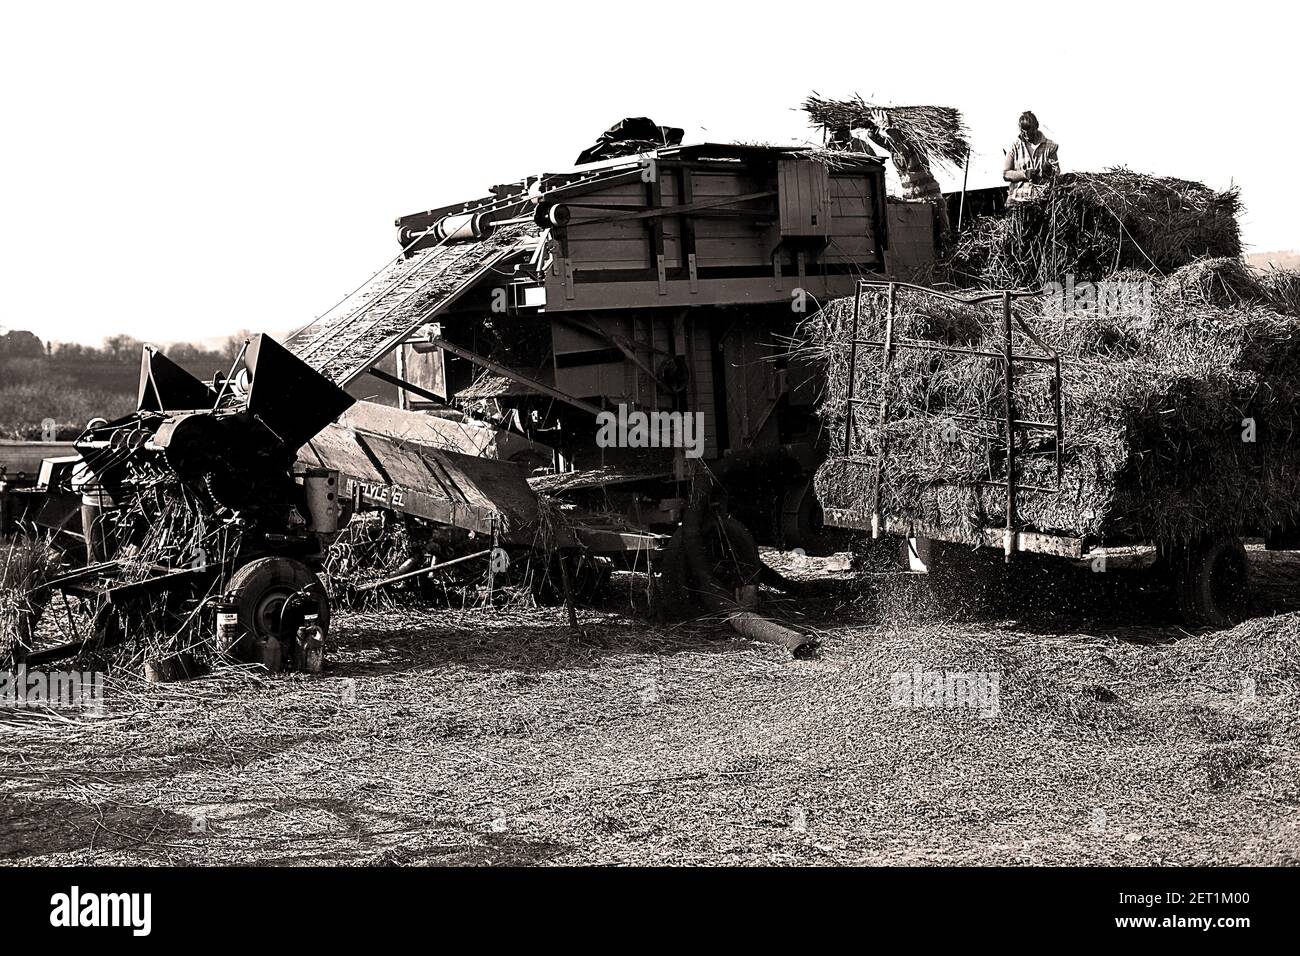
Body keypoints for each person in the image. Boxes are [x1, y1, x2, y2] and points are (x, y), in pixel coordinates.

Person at [1003, 111, 1059, 205]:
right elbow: (1006, 174)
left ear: (1036, 126)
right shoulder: (1014, 147)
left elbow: (1056, 172)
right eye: (1023, 132)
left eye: (1030, 131)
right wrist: (1025, 174)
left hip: (1042, 200)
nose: (1026, 135)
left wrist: (1048, 171)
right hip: (1017, 200)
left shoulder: (1050, 147)